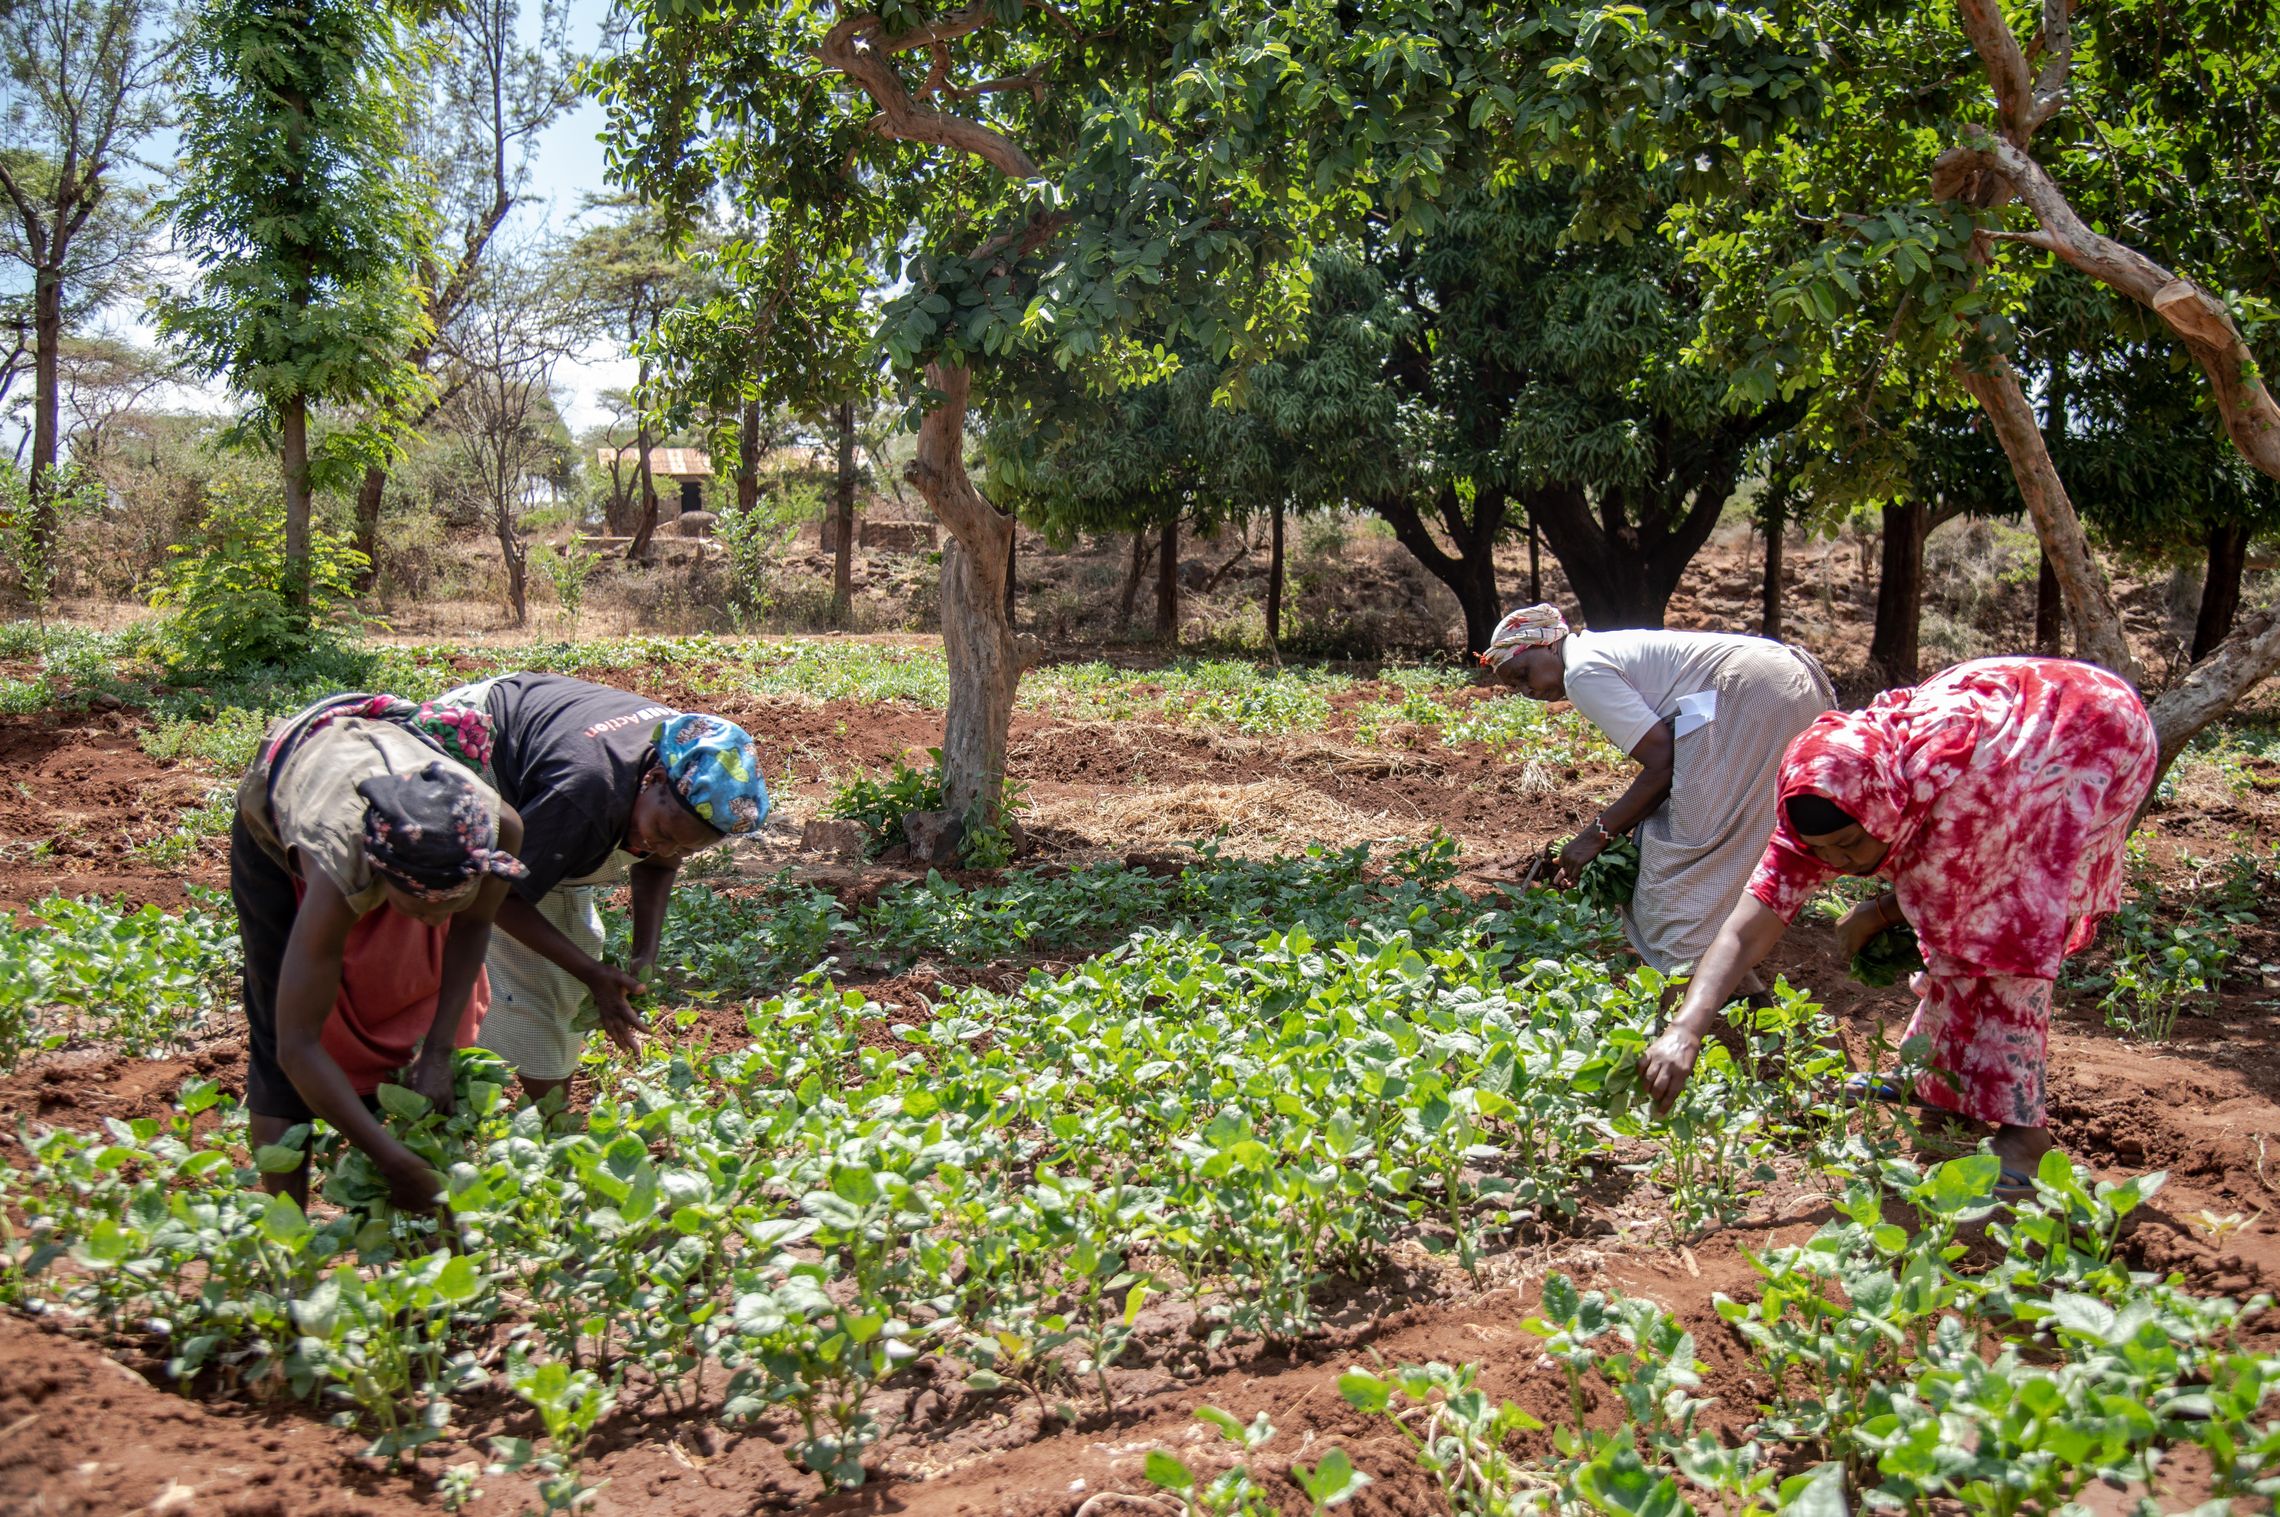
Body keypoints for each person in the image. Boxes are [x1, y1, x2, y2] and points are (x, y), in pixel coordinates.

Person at [1639, 656, 2158, 1190]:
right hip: (2002, 714)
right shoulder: (1825, 792)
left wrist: (1878, 909)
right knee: (1958, 919)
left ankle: (2024, 1140)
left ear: (1886, 807)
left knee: (1995, 937)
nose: (1839, 861)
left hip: (2085, 731)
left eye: (1851, 844)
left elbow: (1987, 920)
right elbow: (1746, 928)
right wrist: (1685, 1031)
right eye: (1823, 852)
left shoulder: (1965, 804)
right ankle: (1937, 1077)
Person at [232, 693, 526, 1211]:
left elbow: (474, 925)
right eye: (422, 909)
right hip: (289, 785)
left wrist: (437, 1051)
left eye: (451, 903)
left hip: (394, 803)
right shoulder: (336, 861)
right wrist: (392, 1161)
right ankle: (289, 1239)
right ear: (383, 878)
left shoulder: (497, 828)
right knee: (279, 1018)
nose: (439, 920)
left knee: (410, 988)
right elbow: (296, 1045)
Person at [428, 673, 771, 1102]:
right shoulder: (587, 794)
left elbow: (659, 863)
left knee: (565, 941)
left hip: (523, 734)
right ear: (654, 779)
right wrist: (590, 974)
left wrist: (644, 952)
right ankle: (546, 1119)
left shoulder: (682, 765)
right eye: (663, 832)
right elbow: (499, 898)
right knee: (542, 971)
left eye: (687, 847)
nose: (661, 848)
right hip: (466, 747)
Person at [1481, 604, 1835, 985]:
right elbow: (1669, 761)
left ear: (1549, 644)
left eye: (1523, 673)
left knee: (1679, 861)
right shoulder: (1597, 654)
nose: (1527, 690)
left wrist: (1596, 835)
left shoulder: (1583, 671)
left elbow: (1663, 762)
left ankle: (1681, 1000)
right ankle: (1737, 988)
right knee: (1712, 843)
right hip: (1781, 682)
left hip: (1752, 691)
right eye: (1515, 687)